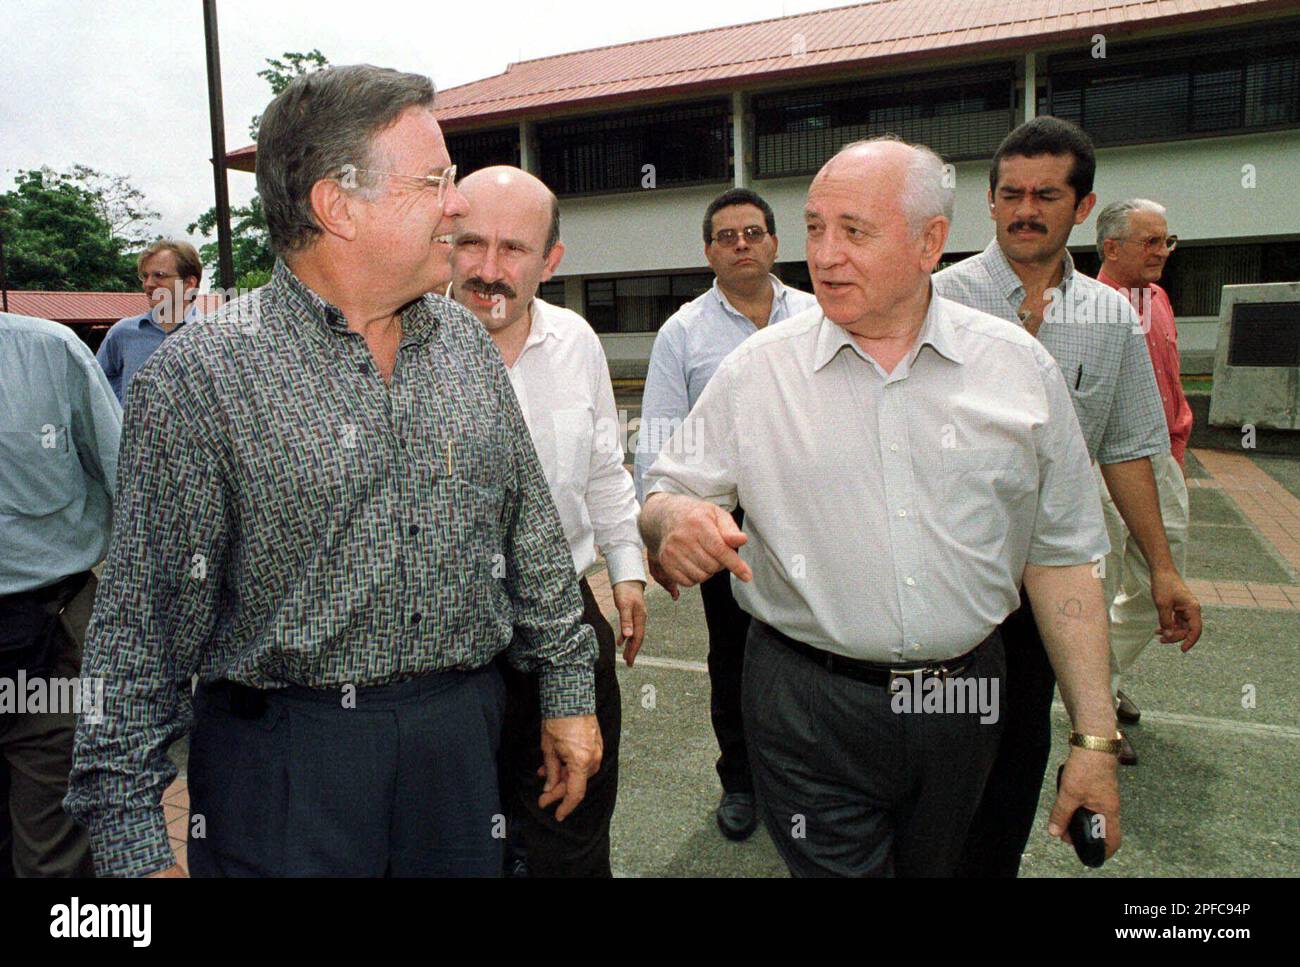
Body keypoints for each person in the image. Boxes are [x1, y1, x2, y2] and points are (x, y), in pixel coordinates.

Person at [65, 64, 600, 878]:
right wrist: (135, 846)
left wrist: (566, 689)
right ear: (336, 204)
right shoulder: (203, 378)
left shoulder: (465, 345)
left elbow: (528, 533)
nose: (458, 203)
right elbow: (139, 636)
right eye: (436, 180)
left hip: (462, 749)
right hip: (284, 770)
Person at [640, 137, 1123, 877]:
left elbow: (1061, 561)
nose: (825, 255)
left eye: (854, 231)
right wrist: (671, 520)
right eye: (814, 227)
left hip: (966, 698)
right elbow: (665, 490)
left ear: (931, 241)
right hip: (807, 702)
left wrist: (1093, 741)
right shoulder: (758, 372)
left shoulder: (1018, 369)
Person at [934, 116, 1201, 877]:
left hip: (1048, 585)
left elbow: (1123, 450)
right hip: (949, 576)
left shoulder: (1111, 318)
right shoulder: (936, 301)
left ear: (1082, 208)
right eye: (1010, 193)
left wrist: (1163, 566)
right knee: (934, 749)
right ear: (987, 202)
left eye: (1046, 194)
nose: (1026, 209)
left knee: (1018, 751)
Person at [449, 165, 646, 877]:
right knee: (467, 844)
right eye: (471, 244)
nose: (489, 270)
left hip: (565, 623)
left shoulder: (577, 342)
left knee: (571, 825)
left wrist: (626, 570)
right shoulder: (401, 348)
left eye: (514, 250)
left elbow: (602, 468)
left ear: (551, 261)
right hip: (449, 649)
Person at [633, 188, 816, 840]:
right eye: (727, 235)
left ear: (773, 242)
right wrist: (653, 526)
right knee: (735, 662)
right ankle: (741, 781)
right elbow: (658, 432)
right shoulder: (684, 332)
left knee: (813, 659)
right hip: (725, 523)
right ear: (710, 251)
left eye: (753, 232)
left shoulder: (819, 314)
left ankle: (807, 785)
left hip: (810, 517)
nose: (741, 243)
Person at [1, 310, 120, 877]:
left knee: (59, 846)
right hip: (51, 624)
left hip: (55, 637)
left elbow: (129, 480)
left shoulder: (50, 352)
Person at [1094, 198, 1192, 765]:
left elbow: (1172, 381)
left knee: (1162, 577)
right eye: (1151, 242)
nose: (1162, 252)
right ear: (1112, 248)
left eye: (1166, 241)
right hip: (1103, 462)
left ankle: (1103, 674)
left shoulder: (1159, 300)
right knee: (1099, 583)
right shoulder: (1079, 306)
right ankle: (1098, 704)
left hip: (1160, 456)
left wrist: (1177, 447)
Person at [96, 240, 204, 405]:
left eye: (159, 275)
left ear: (189, 283)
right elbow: (96, 383)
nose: (148, 284)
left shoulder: (209, 337)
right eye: (145, 276)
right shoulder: (122, 333)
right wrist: (120, 413)